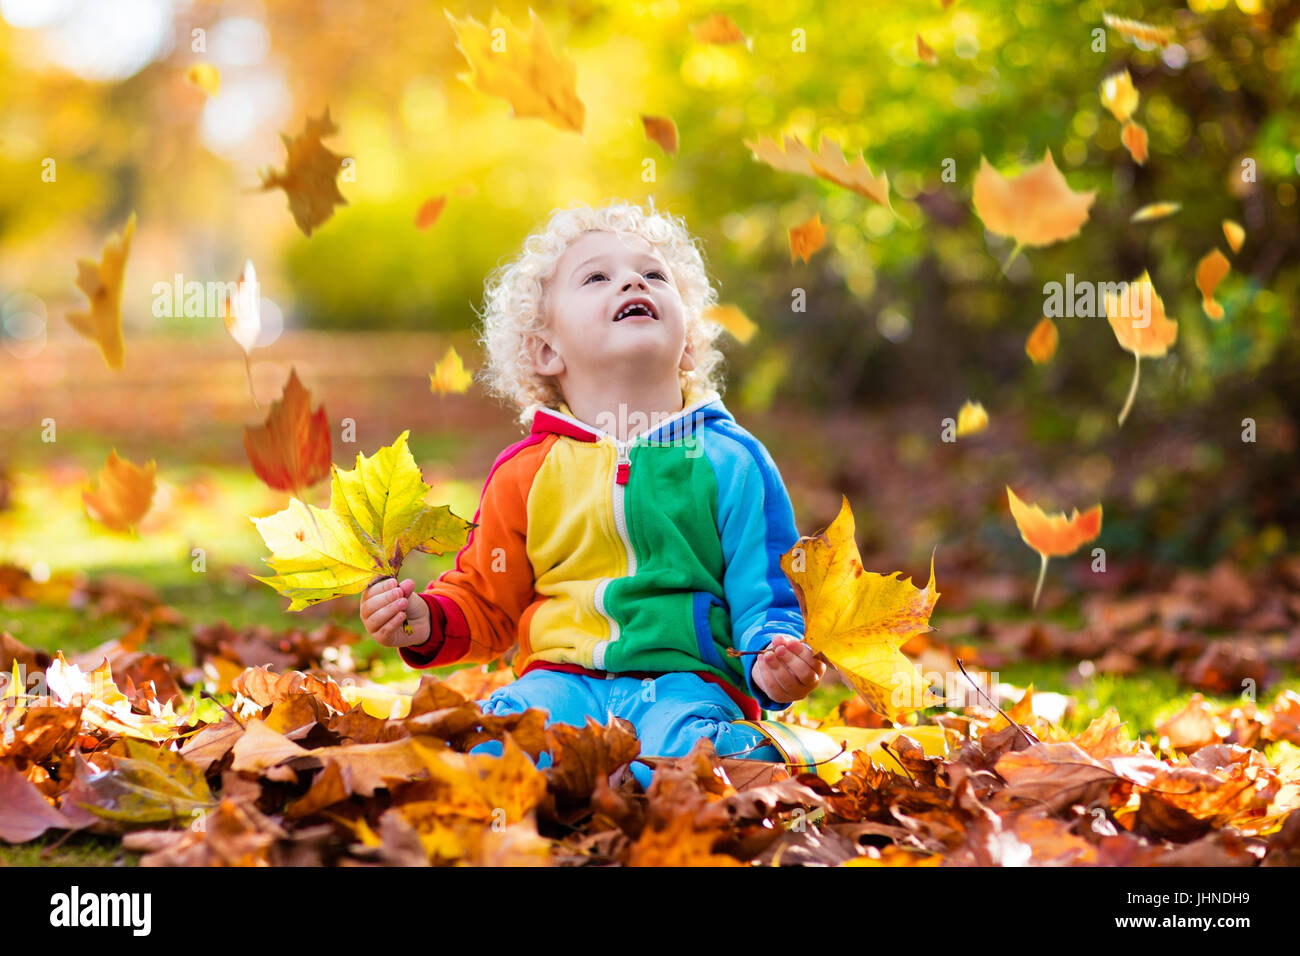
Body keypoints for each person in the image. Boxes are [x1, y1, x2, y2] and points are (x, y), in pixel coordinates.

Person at [360, 197, 825, 790]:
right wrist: (424, 621)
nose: (634, 281)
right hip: (558, 684)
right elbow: (487, 600)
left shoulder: (731, 461)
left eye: (653, 274)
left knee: (709, 762)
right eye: (598, 277)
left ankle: (679, 786)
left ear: (687, 341)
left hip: (687, 688)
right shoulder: (525, 474)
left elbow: (768, 592)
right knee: (489, 745)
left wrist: (772, 657)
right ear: (546, 350)